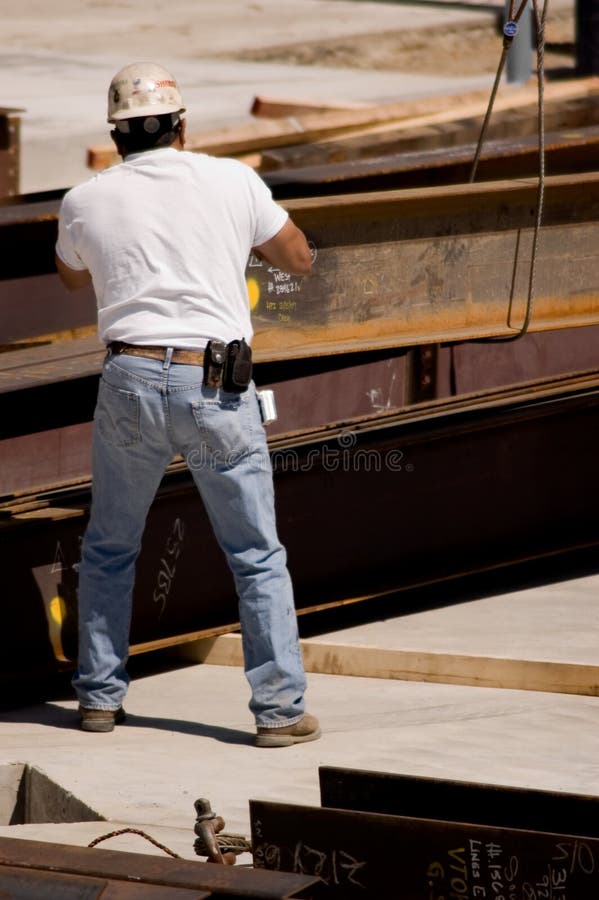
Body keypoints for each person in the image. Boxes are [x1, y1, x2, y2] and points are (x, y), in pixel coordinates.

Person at [55, 61, 319, 747]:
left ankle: (99, 700)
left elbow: (68, 272)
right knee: (255, 554)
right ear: (181, 125)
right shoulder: (231, 179)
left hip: (131, 381)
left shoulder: (84, 198)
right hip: (213, 386)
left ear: (115, 134)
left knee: (110, 547)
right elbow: (297, 258)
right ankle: (278, 712)